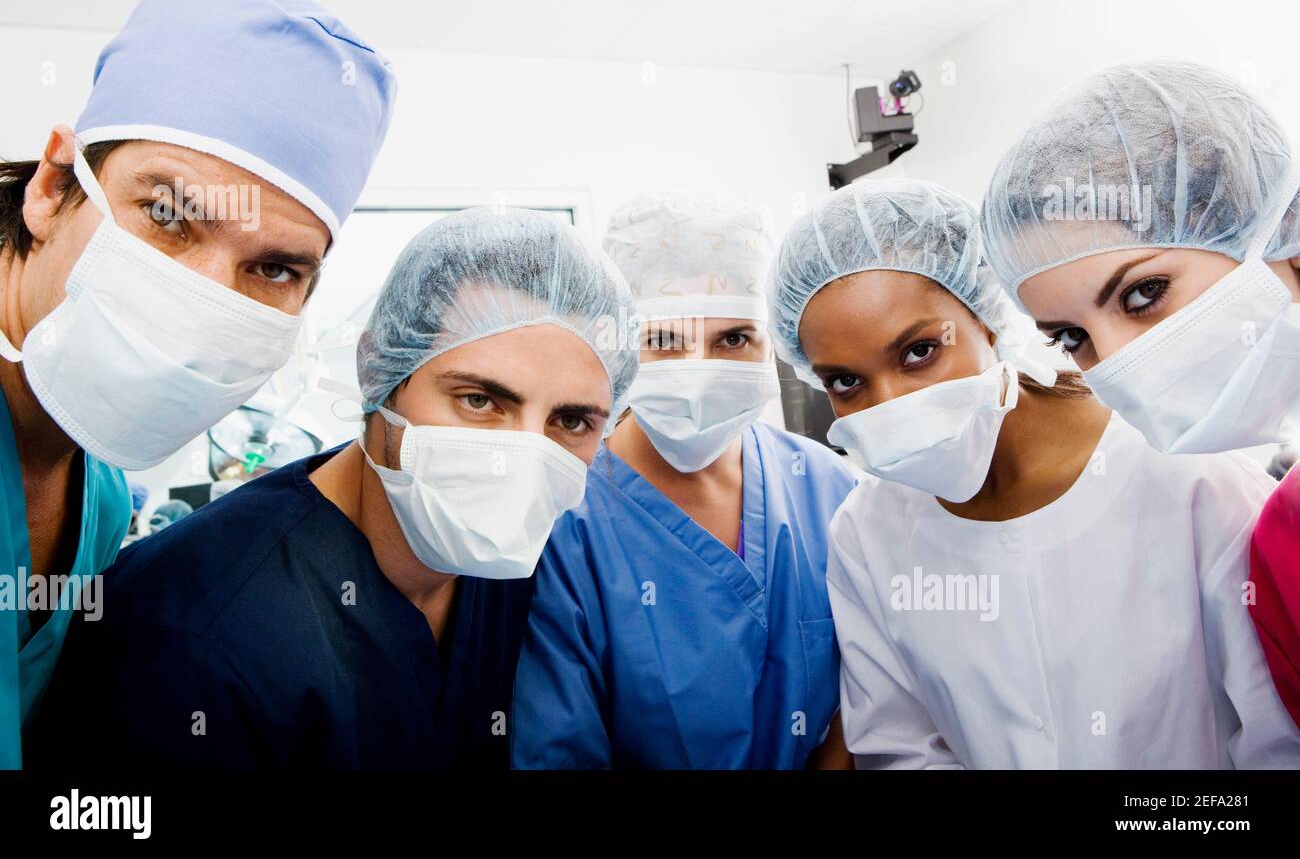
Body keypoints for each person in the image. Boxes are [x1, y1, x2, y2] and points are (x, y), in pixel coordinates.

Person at [29, 208, 637, 768]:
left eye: (572, 421)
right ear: (379, 371)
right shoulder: (182, 626)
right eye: (478, 400)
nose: (523, 458)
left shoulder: (528, 582)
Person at [0, 0, 395, 768]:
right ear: (51, 187)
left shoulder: (100, 489)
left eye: (276, 269)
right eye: (169, 215)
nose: (203, 299)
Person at [769, 177, 1300, 768]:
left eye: (919, 351)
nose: (890, 403)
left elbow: (1274, 738)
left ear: (991, 321)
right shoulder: (867, 533)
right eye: (846, 382)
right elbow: (898, 744)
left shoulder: (1191, 478)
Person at [979, 59, 1300, 727]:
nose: (1117, 363)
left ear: (1279, 237)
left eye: (1144, 293)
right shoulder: (1280, 537)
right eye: (1071, 336)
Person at [511, 191, 856, 769]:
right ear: (616, 345)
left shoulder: (826, 483)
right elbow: (558, 751)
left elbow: (873, 689)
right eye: (665, 340)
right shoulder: (564, 520)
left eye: (734, 338)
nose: (700, 369)